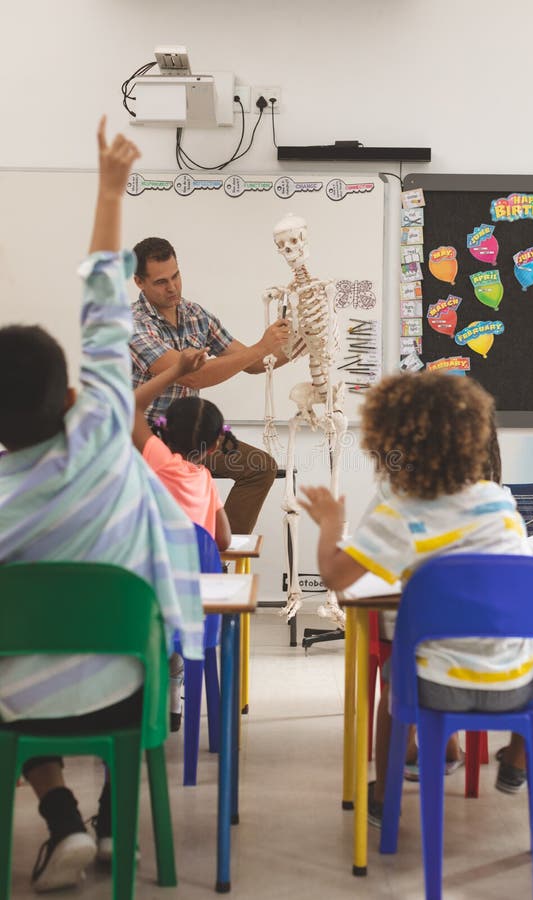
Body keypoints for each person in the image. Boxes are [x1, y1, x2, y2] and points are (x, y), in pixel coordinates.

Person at [0, 119, 203, 891]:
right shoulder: (103, 435)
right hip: (126, 689)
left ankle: (61, 820)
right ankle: (120, 824)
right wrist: (112, 188)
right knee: (146, 650)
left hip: (22, 704)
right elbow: (102, 304)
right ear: (72, 395)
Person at [299, 371, 533, 826]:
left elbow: (336, 577)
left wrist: (330, 525)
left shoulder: (399, 511)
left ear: (388, 440)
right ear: (475, 435)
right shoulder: (499, 502)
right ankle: (517, 759)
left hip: (434, 687)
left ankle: (386, 793)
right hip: (515, 686)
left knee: (391, 687)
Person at [129, 236, 292, 534]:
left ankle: (222, 558)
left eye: (176, 276)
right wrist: (260, 346)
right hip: (143, 439)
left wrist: (298, 344)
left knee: (260, 467)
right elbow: (191, 375)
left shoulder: (196, 315)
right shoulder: (133, 323)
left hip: (189, 437)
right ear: (139, 282)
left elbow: (254, 364)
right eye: (161, 282)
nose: (173, 287)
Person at [132, 347, 232, 551]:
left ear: (164, 430)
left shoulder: (162, 463)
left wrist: (177, 370)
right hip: (199, 577)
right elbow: (223, 540)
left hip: (160, 575)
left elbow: (130, 407)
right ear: (215, 445)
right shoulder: (205, 480)